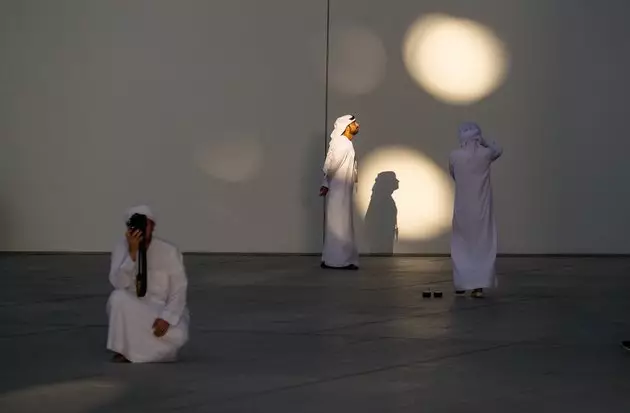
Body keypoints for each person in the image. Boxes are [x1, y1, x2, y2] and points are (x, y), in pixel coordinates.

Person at [106, 205, 190, 362]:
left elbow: (179, 289)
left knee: (177, 333)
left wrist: (167, 318)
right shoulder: (121, 247)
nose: (143, 229)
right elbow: (119, 283)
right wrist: (131, 254)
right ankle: (126, 351)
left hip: (160, 311)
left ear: (153, 226)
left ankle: (146, 349)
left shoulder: (169, 251)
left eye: (146, 224)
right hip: (135, 310)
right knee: (117, 298)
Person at [449, 122, 503, 298]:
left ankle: (461, 283)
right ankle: (478, 286)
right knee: (482, 245)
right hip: (482, 208)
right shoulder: (485, 154)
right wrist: (484, 143)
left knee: (461, 245)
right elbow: (498, 149)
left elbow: (453, 174)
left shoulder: (455, 155)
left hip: (462, 208)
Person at [319, 114, 360, 270]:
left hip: (340, 189)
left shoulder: (342, 143)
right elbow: (331, 166)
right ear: (346, 126)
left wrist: (325, 183)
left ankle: (332, 258)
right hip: (339, 190)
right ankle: (339, 260)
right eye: (354, 123)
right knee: (340, 223)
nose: (358, 125)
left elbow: (330, 165)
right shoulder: (344, 144)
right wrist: (326, 183)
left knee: (338, 223)